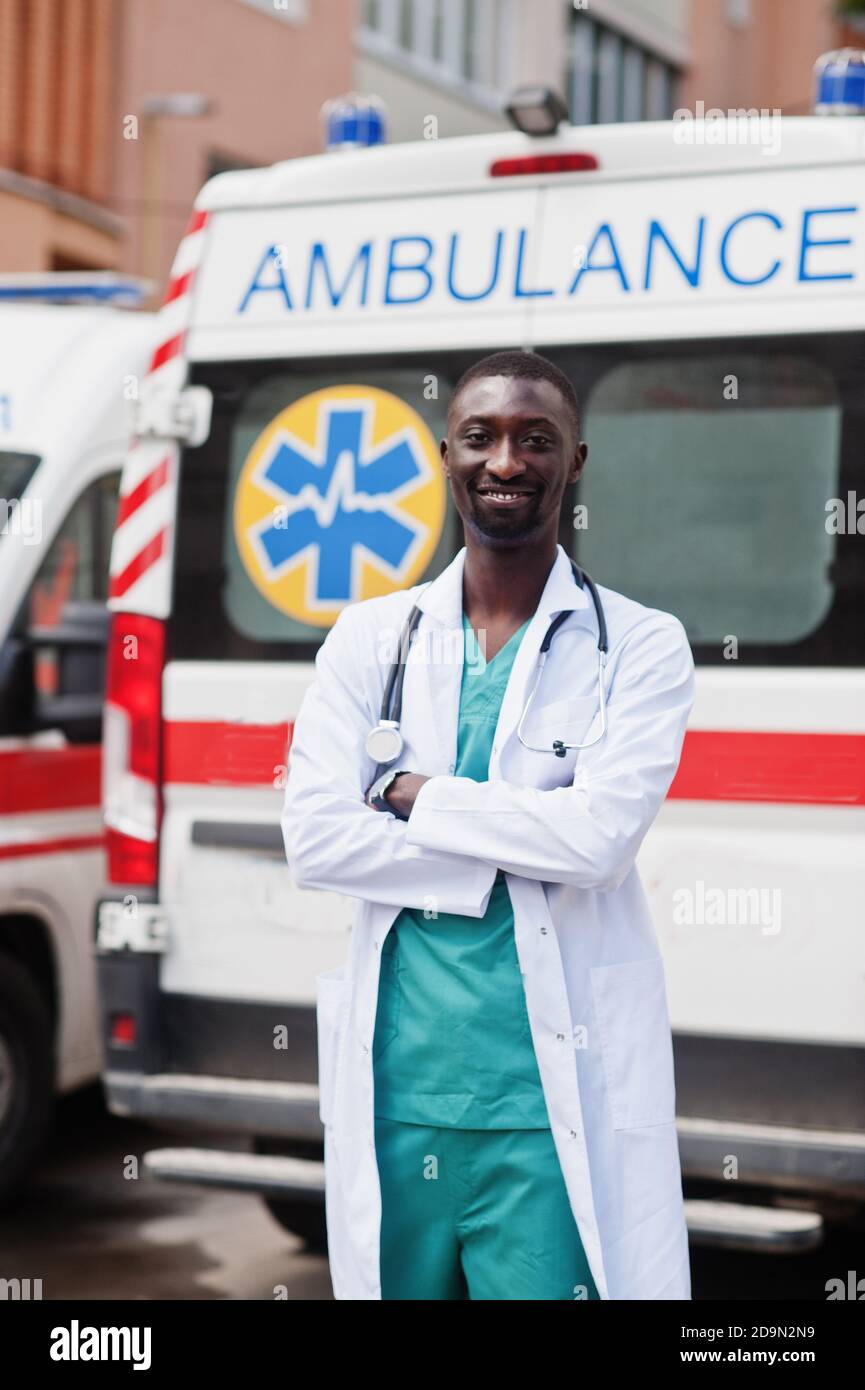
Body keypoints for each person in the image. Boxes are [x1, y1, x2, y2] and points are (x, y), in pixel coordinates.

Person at [282, 350, 696, 1300]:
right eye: (481, 436)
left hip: (546, 1113)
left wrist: (417, 794)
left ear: (575, 460)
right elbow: (316, 839)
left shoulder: (639, 644)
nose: (505, 461)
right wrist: (507, 851)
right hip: (399, 1099)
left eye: (533, 438)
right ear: (445, 454)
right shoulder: (369, 638)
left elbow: (597, 843)